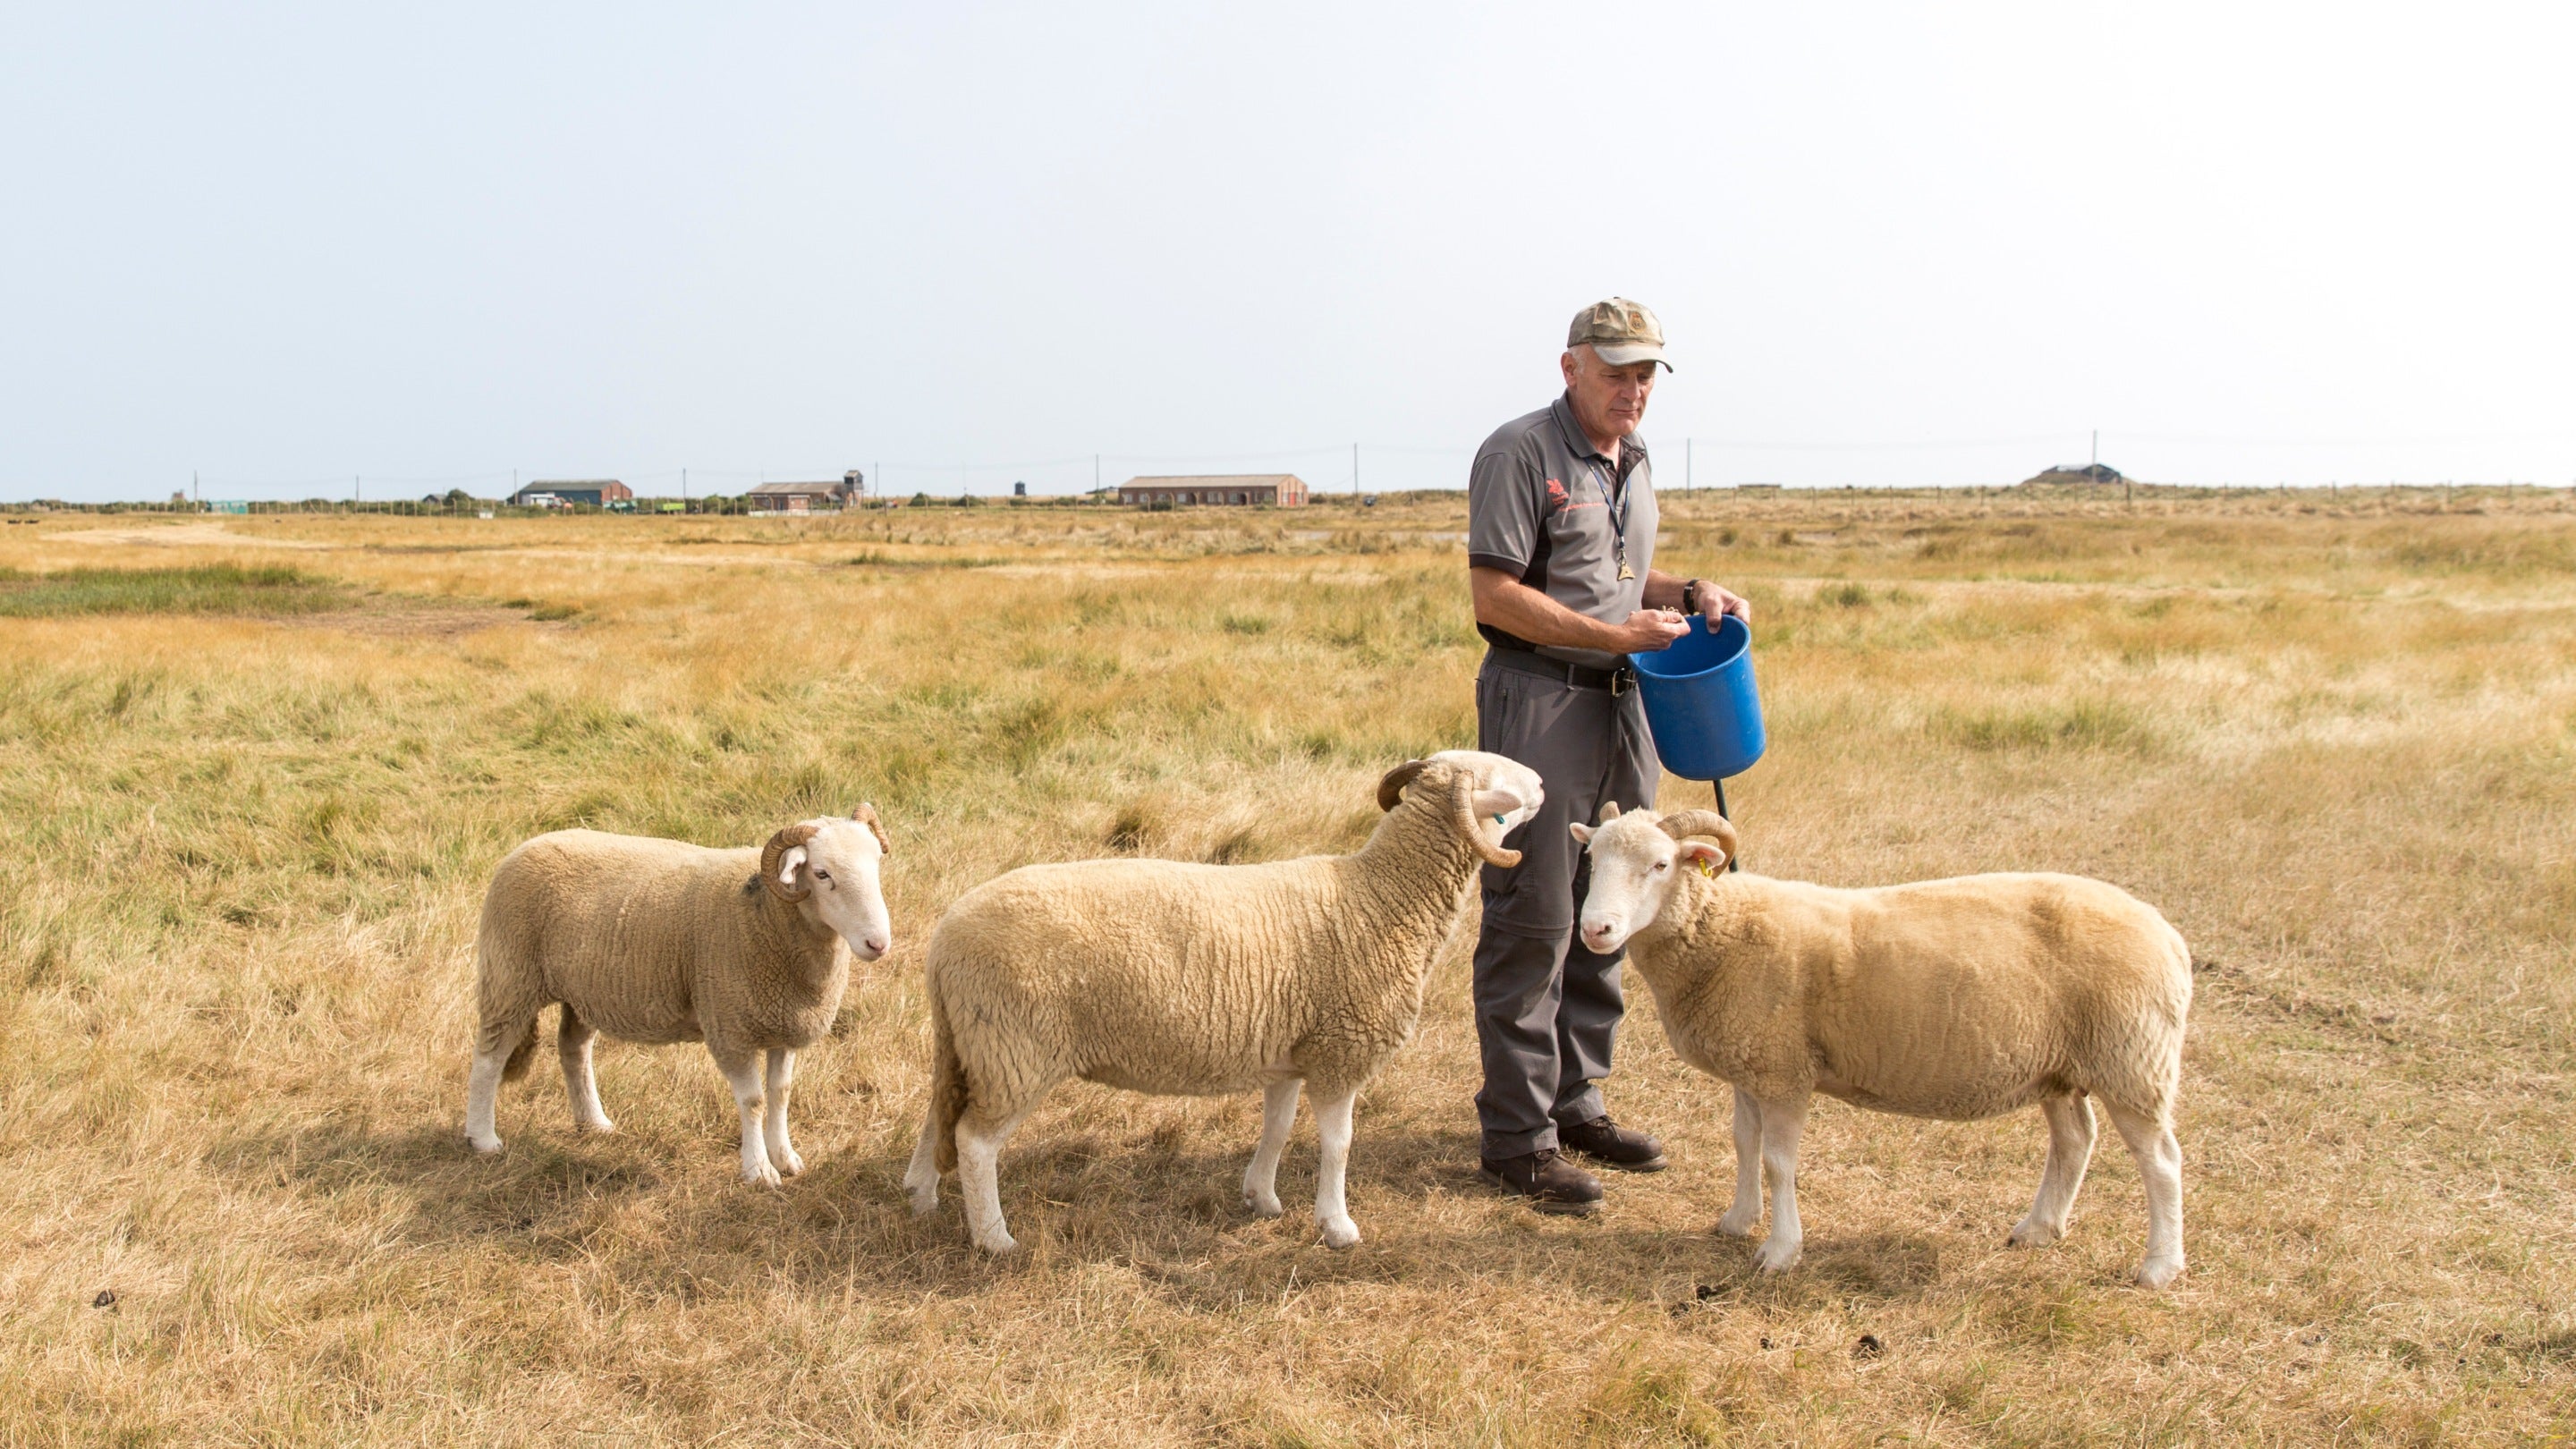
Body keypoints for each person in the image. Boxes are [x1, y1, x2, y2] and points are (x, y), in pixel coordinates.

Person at [1462, 297, 1751, 1214]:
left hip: (1627, 704)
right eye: (1617, 371)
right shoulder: (1520, 453)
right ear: (1571, 367)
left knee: (1613, 902)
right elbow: (1495, 594)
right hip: (1541, 700)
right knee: (1538, 916)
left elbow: (1618, 576)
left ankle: (1576, 1102)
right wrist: (1613, 634)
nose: (1633, 389)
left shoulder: (1634, 459)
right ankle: (1518, 1139)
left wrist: (1691, 591)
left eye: (1646, 374)